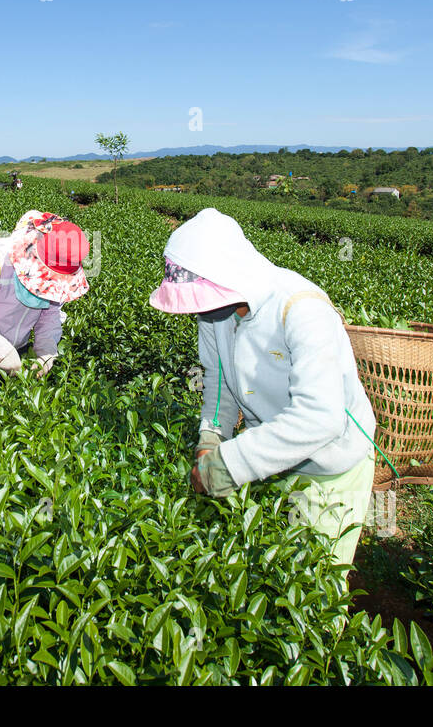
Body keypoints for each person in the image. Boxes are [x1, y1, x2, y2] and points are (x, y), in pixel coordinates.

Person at [148, 207, 377, 569]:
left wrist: (229, 464)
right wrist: (212, 437)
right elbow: (217, 380)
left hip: (330, 463)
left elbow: (320, 418)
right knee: (271, 569)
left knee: (314, 585)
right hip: (267, 456)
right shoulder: (214, 313)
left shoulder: (302, 309)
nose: (199, 312)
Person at [0, 211, 89, 385]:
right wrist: (0, 351)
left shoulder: (55, 279)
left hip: (18, 345)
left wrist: (46, 351)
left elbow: (50, 315)